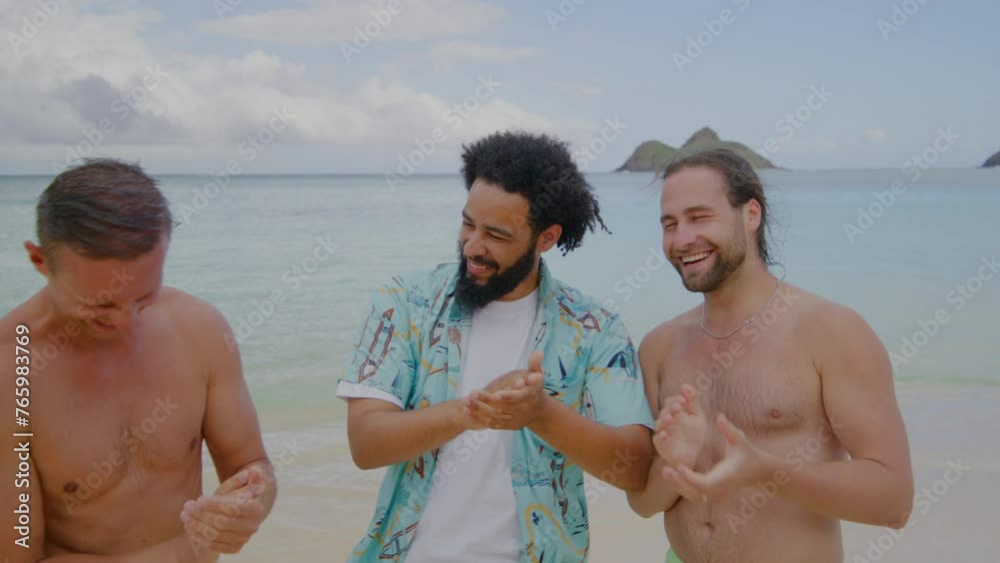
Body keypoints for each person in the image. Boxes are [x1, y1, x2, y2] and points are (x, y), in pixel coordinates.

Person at [338, 131, 654, 562]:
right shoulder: (404, 304)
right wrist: (472, 412)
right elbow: (366, 444)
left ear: (547, 238)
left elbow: (635, 467)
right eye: (467, 223)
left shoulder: (595, 328)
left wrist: (541, 414)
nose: (472, 246)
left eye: (496, 235)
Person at [626, 149, 913, 563]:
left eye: (699, 217)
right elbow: (644, 504)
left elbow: (894, 501)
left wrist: (764, 471)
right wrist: (675, 468)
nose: (681, 239)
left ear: (751, 214)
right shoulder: (660, 347)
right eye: (669, 224)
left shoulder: (830, 331)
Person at [1, 159, 276, 562]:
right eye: (101, 303)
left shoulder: (200, 330)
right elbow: (19, 554)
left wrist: (248, 506)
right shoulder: (13, 372)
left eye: (144, 296)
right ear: (40, 261)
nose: (125, 321)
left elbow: (251, 465)